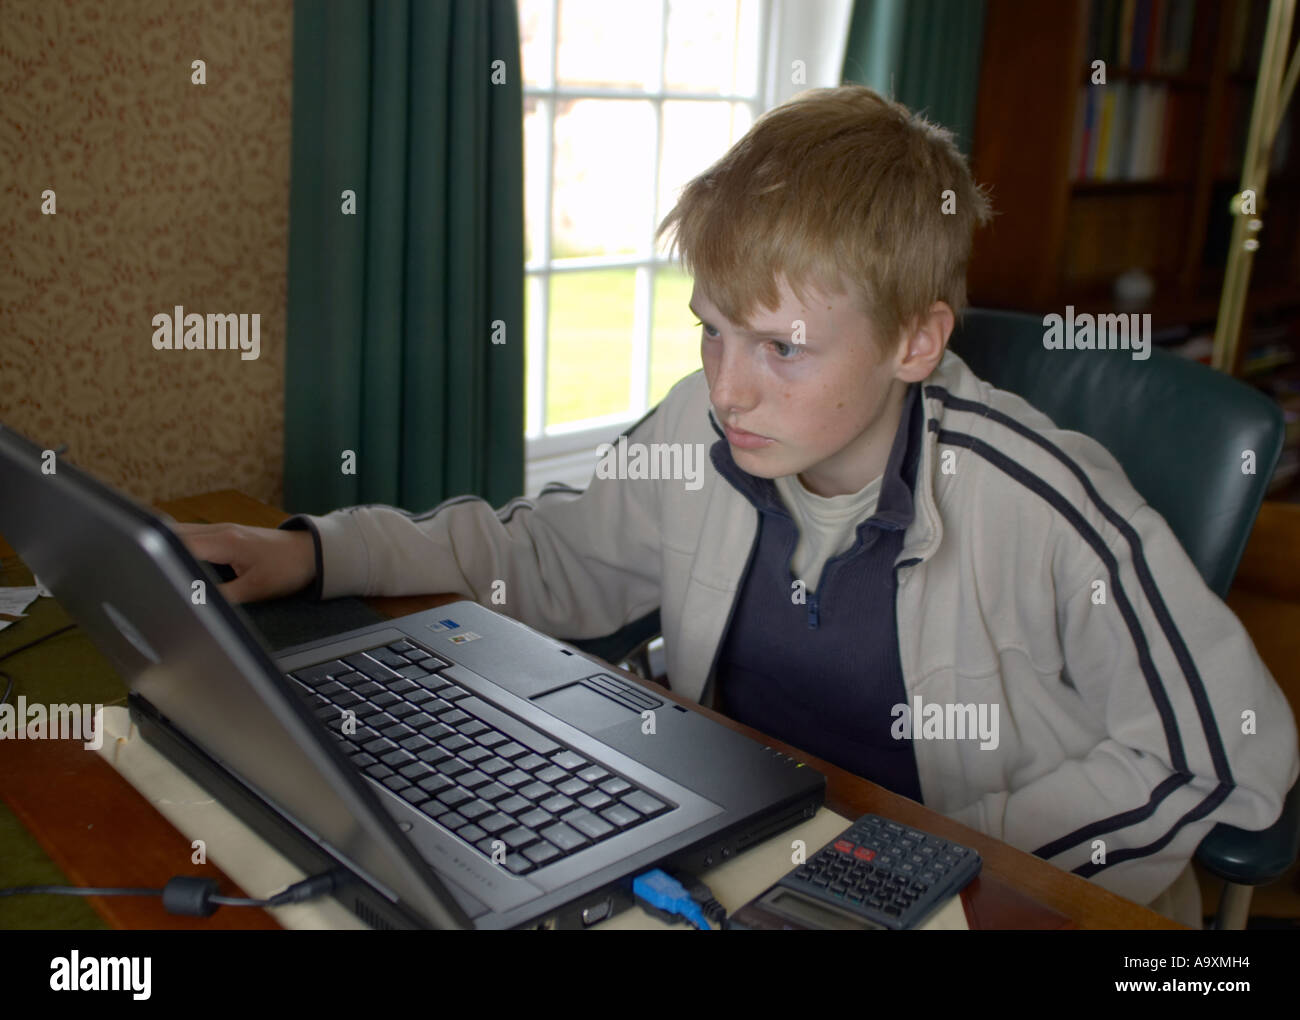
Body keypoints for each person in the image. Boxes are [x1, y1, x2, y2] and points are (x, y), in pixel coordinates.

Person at [175, 85, 1299, 927]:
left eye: (781, 348)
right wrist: (312, 554)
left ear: (916, 340)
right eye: (712, 329)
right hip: (745, 860)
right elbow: (548, 556)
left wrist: (936, 862)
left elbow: (1226, 757)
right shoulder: (703, 430)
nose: (726, 387)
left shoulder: (1041, 499)